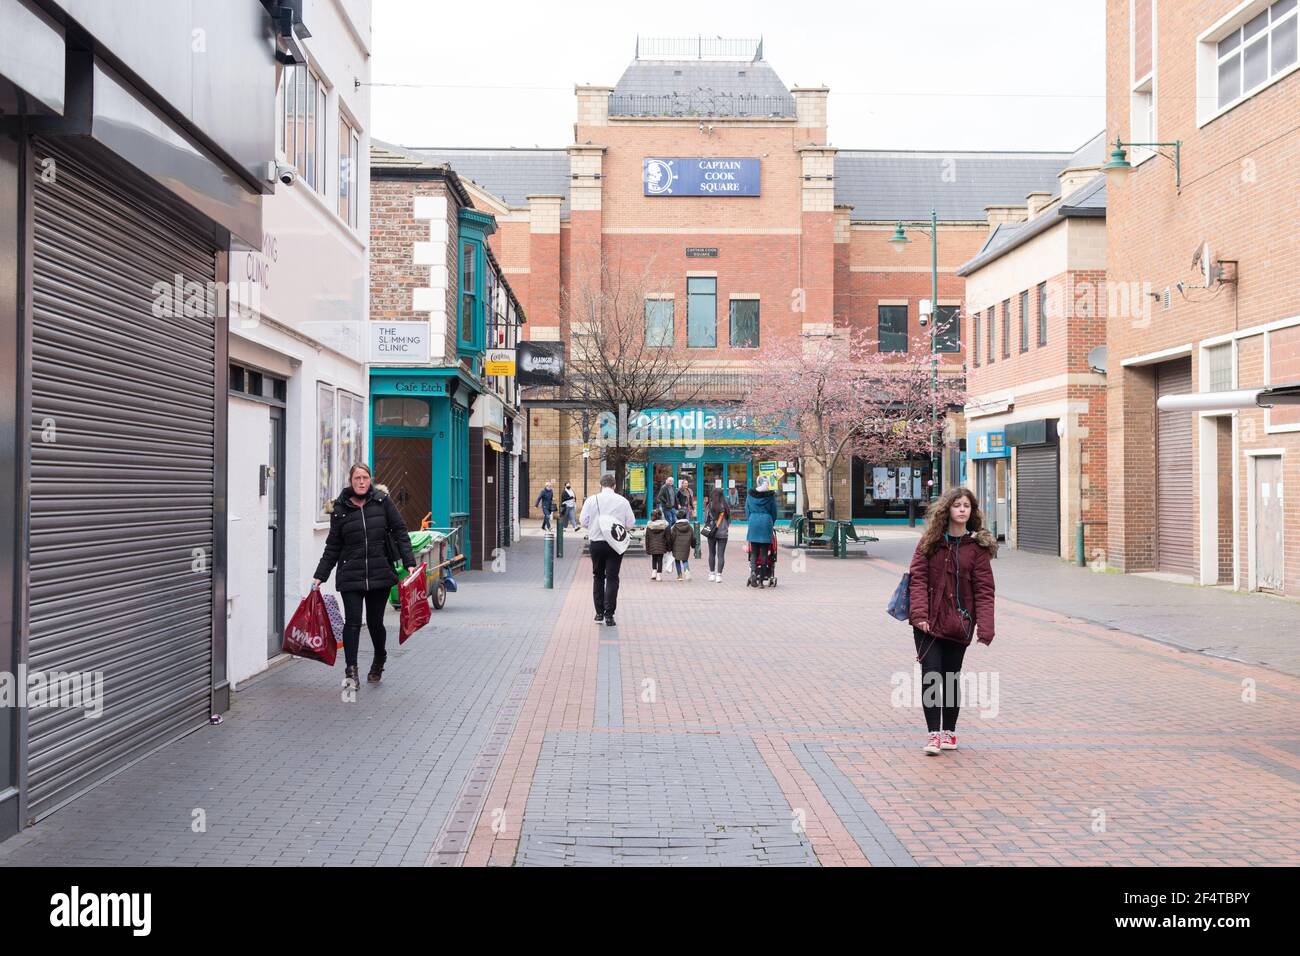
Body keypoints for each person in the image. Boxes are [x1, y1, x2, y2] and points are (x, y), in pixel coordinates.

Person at [906, 487, 997, 756]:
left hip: (959, 622)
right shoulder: (930, 542)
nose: (962, 509)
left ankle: (949, 731)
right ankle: (933, 734)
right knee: (931, 674)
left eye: (966, 506)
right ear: (947, 510)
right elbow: (917, 578)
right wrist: (919, 615)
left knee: (950, 676)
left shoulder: (977, 548)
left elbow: (984, 590)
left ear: (972, 511)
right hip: (928, 622)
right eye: (957, 505)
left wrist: (986, 627)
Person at [312, 463, 416, 692]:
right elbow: (333, 546)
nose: (361, 482)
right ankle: (351, 671)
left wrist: (409, 563)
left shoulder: (382, 502)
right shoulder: (340, 509)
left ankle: (379, 658)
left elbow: (400, 531)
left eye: (365, 478)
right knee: (352, 622)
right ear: (351, 481)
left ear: (370, 480)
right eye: (357, 478)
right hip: (350, 574)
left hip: (380, 572)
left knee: (375, 622)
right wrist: (320, 576)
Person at [580, 473, 636, 626]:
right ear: (614, 485)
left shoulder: (592, 500)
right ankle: (609, 614)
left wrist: (594, 526)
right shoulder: (623, 501)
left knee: (598, 576)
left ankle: (599, 613)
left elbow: (583, 521)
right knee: (612, 577)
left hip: (597, 542)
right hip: (615, 544)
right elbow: (630, 523)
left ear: (600, 485)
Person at [745, 475, 778, 587]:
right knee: (764, 553)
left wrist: (751, 521)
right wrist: (771, 522)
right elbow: (774, 512)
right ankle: (761, 580)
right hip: (766, 523)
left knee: (754, 552)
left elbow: (747, 510)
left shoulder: (750, 495)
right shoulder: (770, 496)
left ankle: (753, 572)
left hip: (753, 522)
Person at [705, 485, 731, 583]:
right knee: (721, 555)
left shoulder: (710, 505)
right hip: (723, 533)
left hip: (711, 532)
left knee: (711, 553)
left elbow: (705, 519)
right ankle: (719, 575)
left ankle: (712, 574)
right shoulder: (726, 506)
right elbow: (729, 521)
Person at [668, 508, 696, 580]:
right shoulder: (689, 527)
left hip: (676, 547)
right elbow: (693, 537)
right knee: (685, 560)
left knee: (677, 560)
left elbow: (671, 538)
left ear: (677, 517)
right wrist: (693, 545)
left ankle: (679, 576)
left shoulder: (674, 527)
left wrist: (669, 547)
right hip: (686, 547)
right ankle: (687, 571)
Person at [644, 508, 671, 581]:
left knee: (654, 558)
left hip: (652, 545)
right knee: (660, 560)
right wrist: (669, 548)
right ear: (660, 515)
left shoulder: (649, 525)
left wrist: (647, 548)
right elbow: (668, 538)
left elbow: (647, 538)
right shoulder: (665, 524)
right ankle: (659, 575)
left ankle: (654, 572)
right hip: (662, 545)